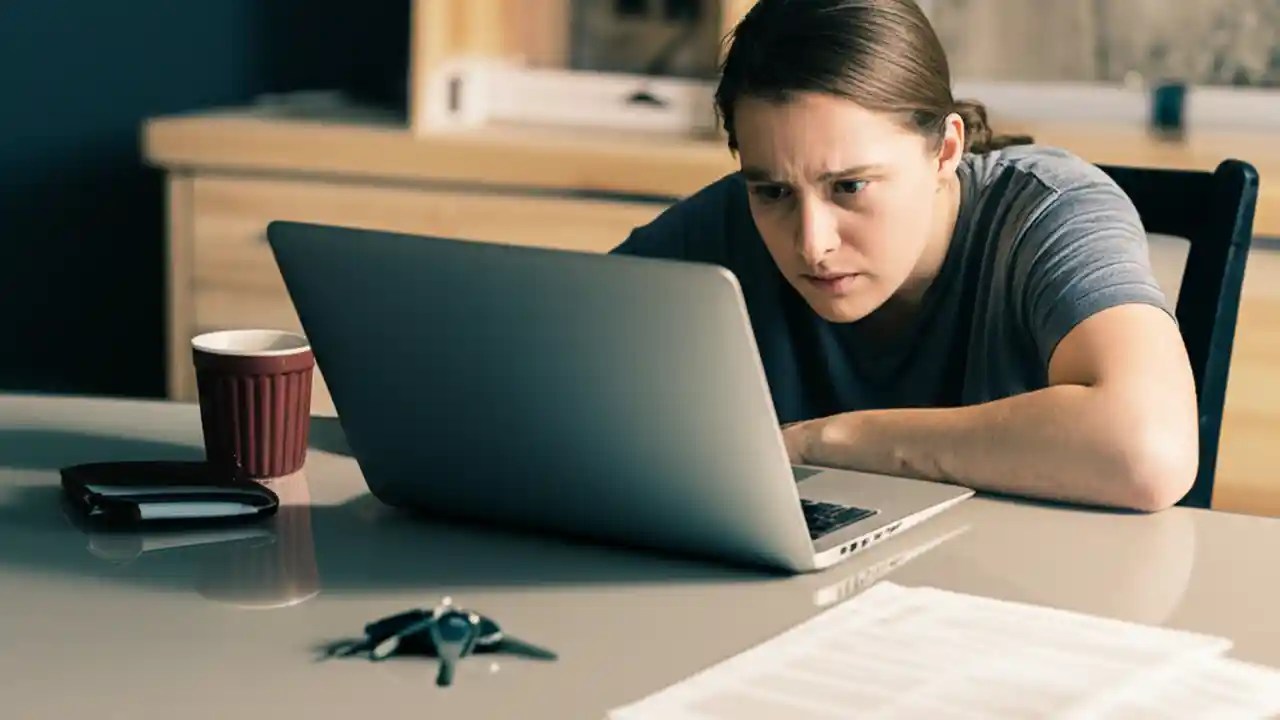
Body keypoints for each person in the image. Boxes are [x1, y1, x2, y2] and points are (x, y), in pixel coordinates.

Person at [610, 0, 1198, 512]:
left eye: (850, 186)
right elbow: (560, 365)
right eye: (773, 192)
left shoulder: (1049, 212)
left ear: (945, 151)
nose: (812, 243)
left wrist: (822, 443)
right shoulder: (731, 217)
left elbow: (1149, 449)